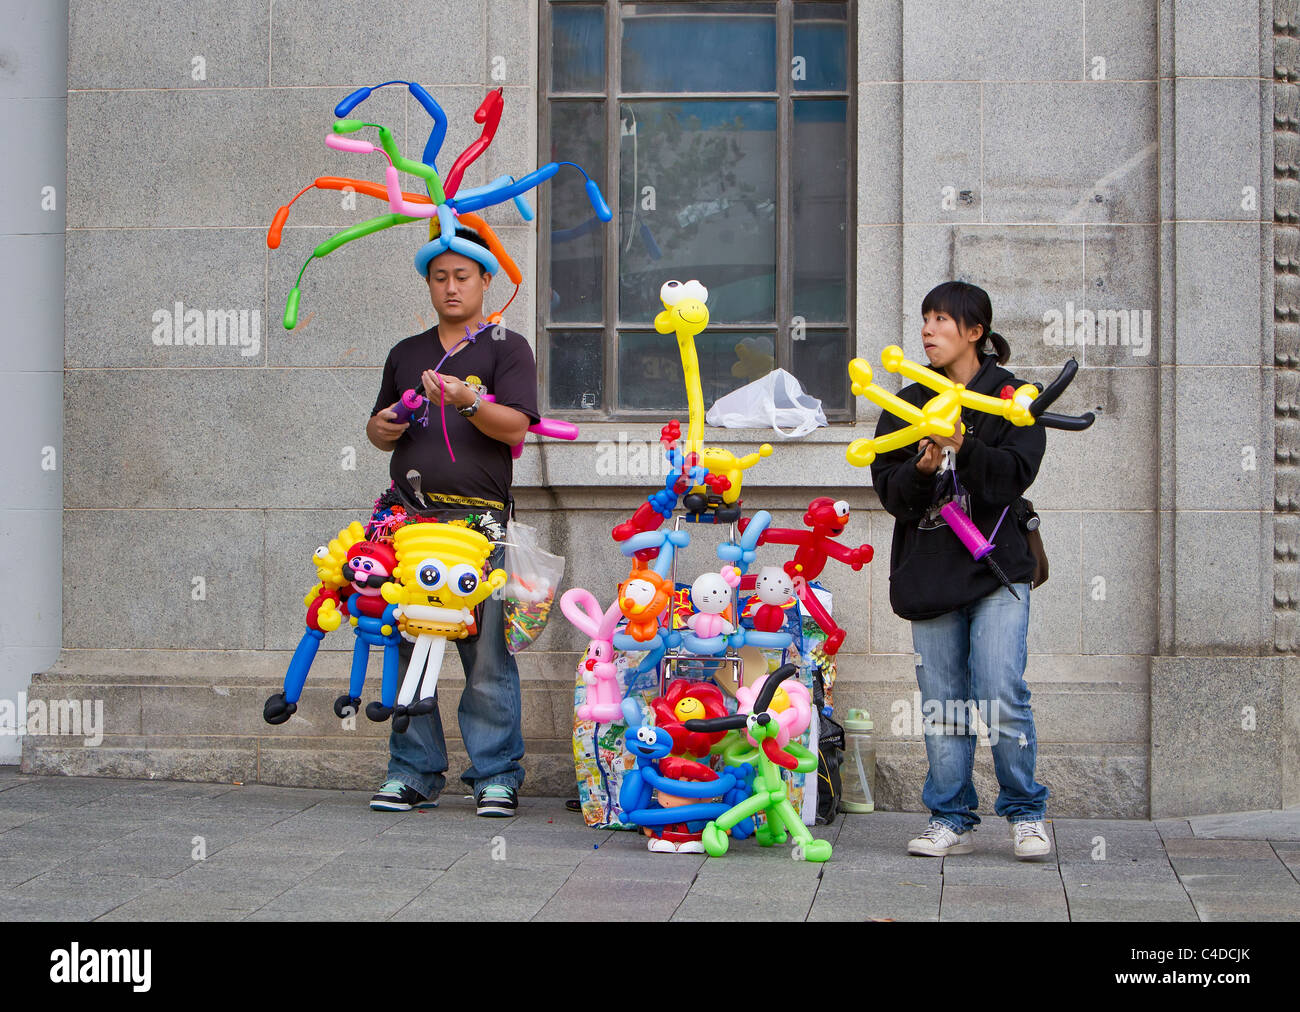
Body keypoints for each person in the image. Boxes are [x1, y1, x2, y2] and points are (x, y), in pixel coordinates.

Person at [870, 281, 1052, 860]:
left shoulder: (1014, 398)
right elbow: (892, 497)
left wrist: (963, 443)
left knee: (1000, 691)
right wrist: (923, 466)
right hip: (931, 574)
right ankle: (950, 816)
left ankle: (1025, 812)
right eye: (924, 319)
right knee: (942, 700)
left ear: (975, 332)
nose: (927, 330)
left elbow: (1012, 477)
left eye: (942, 320)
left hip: (999, 569)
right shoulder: (906, 401)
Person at [364, 227, 539, 818]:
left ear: (485, 280)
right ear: (429, 284)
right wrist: (385, 427)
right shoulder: (406, 353)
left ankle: (495, 775)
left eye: (462, 276)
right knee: (410, 646)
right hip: (408, 521)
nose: (451, 287)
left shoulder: (506, 346)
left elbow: (516, 427)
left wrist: (464, 399)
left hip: (479, 525)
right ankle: (412, 772)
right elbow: (376, 429)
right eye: (440, 277)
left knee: (485, 652)